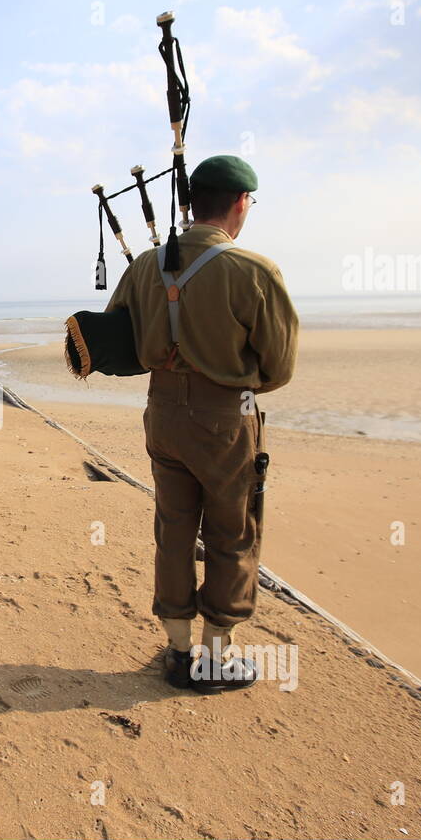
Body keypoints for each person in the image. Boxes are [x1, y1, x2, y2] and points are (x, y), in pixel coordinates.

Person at [103, 155, 298, 693]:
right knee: (232, 531)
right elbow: (279, 367)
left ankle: (177, 649)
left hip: (162, 412)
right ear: (240, 202)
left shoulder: (146, 265)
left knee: (173, 527)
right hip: (226, 418)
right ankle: (215, 656)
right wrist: (227, 375)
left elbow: (118, 338)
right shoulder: (254, 270)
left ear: (193, 201)